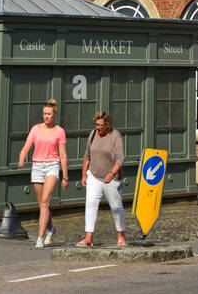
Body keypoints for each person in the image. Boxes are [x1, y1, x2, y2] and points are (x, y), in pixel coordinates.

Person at [18, 99, 68, 247]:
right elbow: (26, 147)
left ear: (54, 115)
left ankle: (40, 238)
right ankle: (51, 229)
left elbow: (63, 155)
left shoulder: (60, 131)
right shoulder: (36, 129)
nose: (46, 116)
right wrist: (22, 157)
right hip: (37, 166)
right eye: (44, 114)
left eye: (49, 114)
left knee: (45, 201)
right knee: (42, 204)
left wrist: (65, 176)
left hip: (52, 165)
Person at [77, 111, 126, 247]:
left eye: (101, 125)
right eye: (96, 124)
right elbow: (86, 156)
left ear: (108, 125)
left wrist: (112, 173)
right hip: (94, 174)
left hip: (111, 177)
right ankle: (88, 238)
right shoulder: (93, 134)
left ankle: (120, 236)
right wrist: (84, 175)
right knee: (91, 203)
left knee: (116, 207)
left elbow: (120, 158)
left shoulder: (115, 136)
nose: (98, 128)